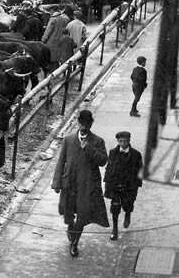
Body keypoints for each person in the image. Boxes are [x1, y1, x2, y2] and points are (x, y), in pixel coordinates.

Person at [52, 110, 109, 258]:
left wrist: (88, 148)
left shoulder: (97, 141)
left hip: (87, 184)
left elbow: (103, 161)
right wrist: (57, 182)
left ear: (91, 124)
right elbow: (61, 161)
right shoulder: (68, 139)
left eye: (87, 124)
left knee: (83, 214)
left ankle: (75, 243)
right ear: (78, 123)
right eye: (82, 124)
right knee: (69, 211)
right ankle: (71, 226)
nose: (84, 127)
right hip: (70, 183)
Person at [103, 131, 143, 241]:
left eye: (125, 141)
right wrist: (108, 185)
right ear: (118, 141)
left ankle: (128, 214)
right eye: (120, 141)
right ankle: (115, 230)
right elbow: (109, 169)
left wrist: (136, 187)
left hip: (129, 188)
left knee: (128, 205)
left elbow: (140, 171)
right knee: (115, 209)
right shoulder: (113, 152)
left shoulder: (136, 154)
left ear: (129, 141)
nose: (123, 143)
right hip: (116, 187)